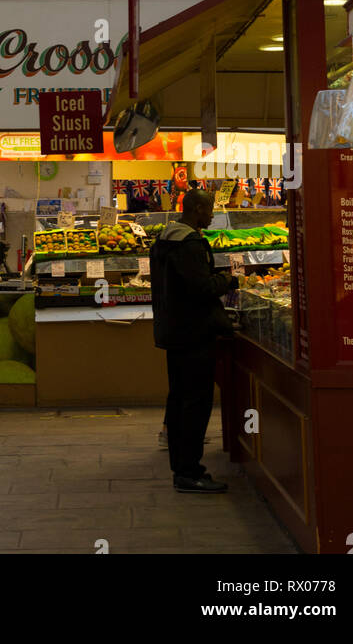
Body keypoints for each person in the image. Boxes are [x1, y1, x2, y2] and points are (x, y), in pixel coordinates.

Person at [149, 187, 238, 493]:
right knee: (195, 404)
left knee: (178, 400)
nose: (212, 214)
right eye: (210, 209)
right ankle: (189, 472)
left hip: (173, 332)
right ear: (197, 209)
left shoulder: (163, 238)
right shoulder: (189, 243)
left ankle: (181, 467)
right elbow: (201, 288)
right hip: (194, 333)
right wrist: (226, 280)